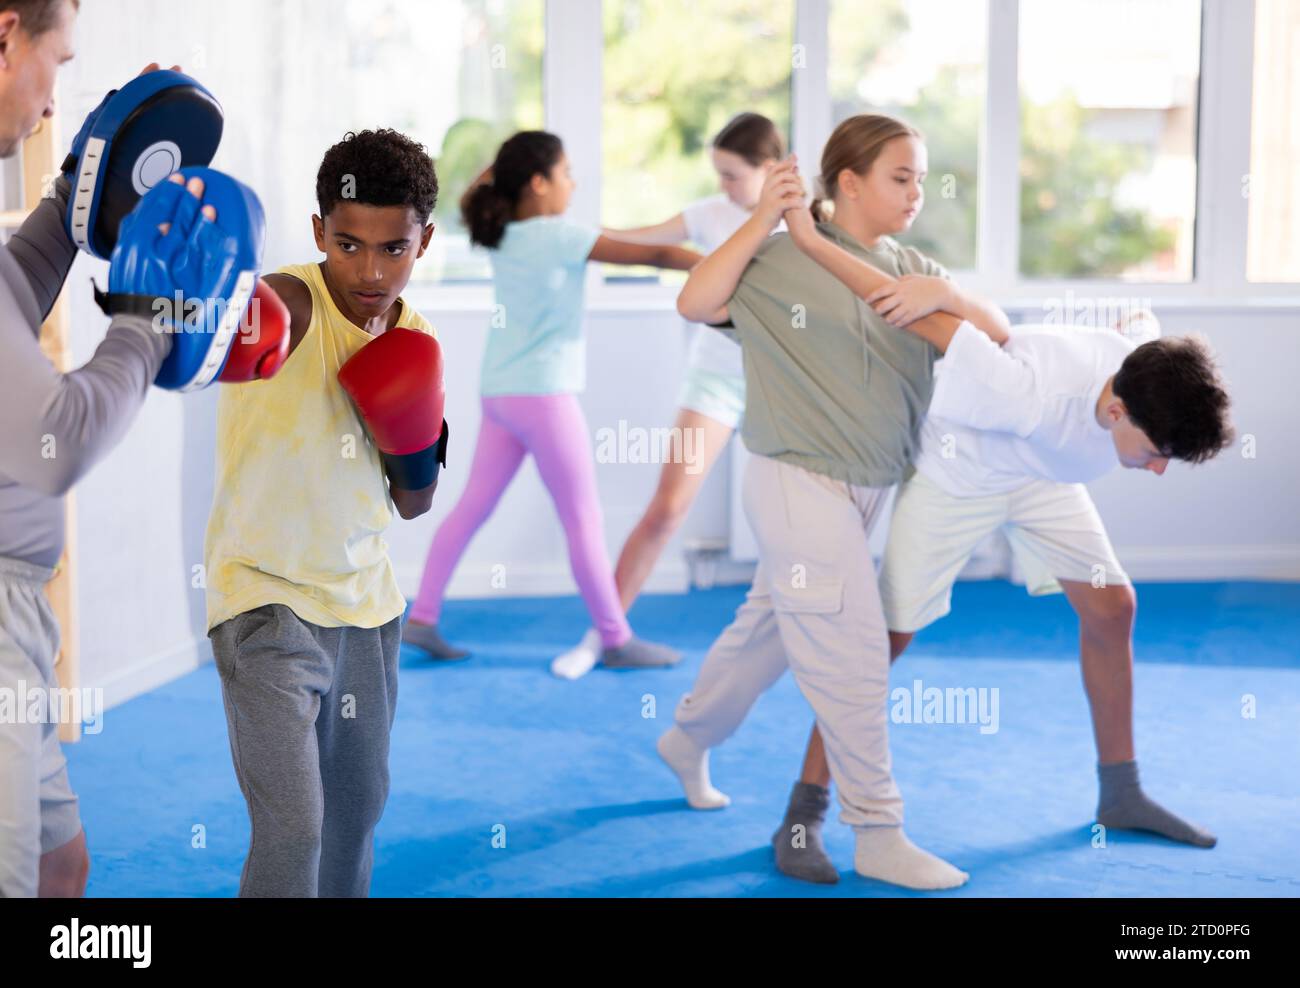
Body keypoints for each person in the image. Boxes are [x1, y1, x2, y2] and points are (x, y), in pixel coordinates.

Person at [659, 114, 1010, 890]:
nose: (918, 190)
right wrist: (760, 219)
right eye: (901, 176)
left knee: (764, 640)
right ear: (847, 182)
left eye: (921, 176)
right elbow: (694, 301)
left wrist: (946, 291)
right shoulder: (777, 258)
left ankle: (686, 738)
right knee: (853, 655)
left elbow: (997, 336)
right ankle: (878, 832)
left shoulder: (918, 267)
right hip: (794, 480)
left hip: (870, 490)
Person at [772, 309, 1234, 883]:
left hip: (1040, 479)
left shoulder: (1140, 367)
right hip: (956, 480)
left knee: (1112, 606)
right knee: (882, 641)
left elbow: (1143, 324)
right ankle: (801, 815)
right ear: (1117, 411)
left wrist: (1132, 320)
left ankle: (1122, 793)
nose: (1159, 469)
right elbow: (949, 334)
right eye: (1156, 452)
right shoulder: (1024, 391)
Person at [0, 0, 241, 898]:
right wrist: (144, 321)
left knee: (63, 868)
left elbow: (11, 295)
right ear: (5, 34)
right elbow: (57, 442)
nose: (54, 97)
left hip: (18, 616)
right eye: (57, 63)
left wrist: (75, 199)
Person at [203, 129, 448, 897]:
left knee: (355, 813)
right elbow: (236, 318)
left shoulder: (417, 339)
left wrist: (404, 423)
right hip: (265, 603)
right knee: (294, 824)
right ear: (318, 234)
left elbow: (416, 504)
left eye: (392, 249)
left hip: (366, 611)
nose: (370, 270)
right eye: (348, 245)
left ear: (424, 242)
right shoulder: (289, 304)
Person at [404, 130, 704, 670]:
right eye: (566, 173)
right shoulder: (557, 234)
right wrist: (714, 263)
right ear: (539, 184)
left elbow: (483, 189)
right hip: (543, 396)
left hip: (499, 391)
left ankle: (422, 616)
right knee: (583, 518)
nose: (574, 183)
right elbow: (651, 254)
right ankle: (615, 638)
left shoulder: (503, 232)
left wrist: (503, 168)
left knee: (472, 507)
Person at [550, 112, 786, 679]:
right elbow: (633, 240)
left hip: (782, 381)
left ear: (771, 169)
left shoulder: (797, 223)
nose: (724, 186)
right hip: (716, 380)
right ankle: (604, 634)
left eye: (733, 175)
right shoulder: (709, 214)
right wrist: (560, 229)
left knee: (792, 522)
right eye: (719, 175)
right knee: (667, 509)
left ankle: (804, 642)